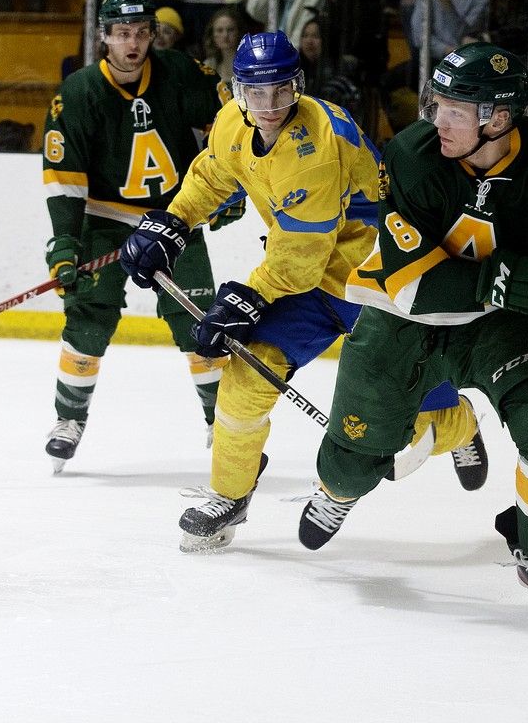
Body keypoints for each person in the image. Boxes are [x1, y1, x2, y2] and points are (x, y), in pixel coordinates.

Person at [302, 42, 528, 623]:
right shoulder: (412, 158)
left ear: (496, 119)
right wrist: (519, 282)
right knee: (351, 463)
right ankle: (338, 492)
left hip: (500, 325)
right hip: (403, 322)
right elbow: (414, 285)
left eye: (454, 110)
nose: (435, 120)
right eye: (436, 103)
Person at [119, 30, 488, 553]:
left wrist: (243, 300)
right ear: (236, 90)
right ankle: (229, 494)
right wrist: (173, 220)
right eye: (255, 92)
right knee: (246, 377)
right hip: (311, 278)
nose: (269, 106)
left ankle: (461, 423)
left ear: (298, 85)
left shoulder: (313, 149)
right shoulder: (233, 120)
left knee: (406, 433)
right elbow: (213, 175)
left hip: (379, 279)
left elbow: (298, 258)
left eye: (281, 91)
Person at [42, 0, 236, 473]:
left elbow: (233, 128)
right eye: (123, 33)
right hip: (105, 219)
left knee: (199, 323)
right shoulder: (77, 95)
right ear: (104, 37)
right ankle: (68, 420)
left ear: (152, 35)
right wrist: (65, 240)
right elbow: (66, 179)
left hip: (175, 217)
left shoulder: (183, 73)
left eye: (141, 33)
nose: (133, 44)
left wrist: (229, 189)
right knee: (88, 318)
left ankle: (223, 424)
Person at [203, 6, 245, 83]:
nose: (225, 35)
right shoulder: (209, 65)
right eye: (219, 30)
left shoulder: (250, 65)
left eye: (230, 30)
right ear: (212, 35)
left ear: (239, 32)